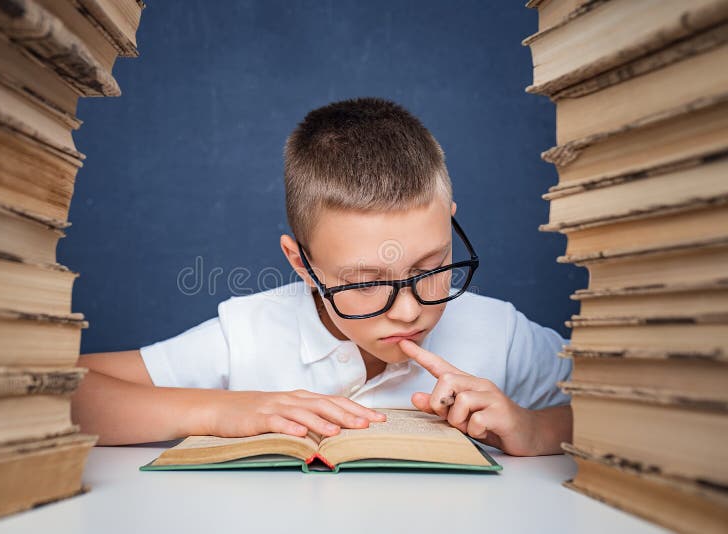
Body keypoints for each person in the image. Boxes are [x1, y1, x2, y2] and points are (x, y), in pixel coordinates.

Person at [72, 97, 572, 456]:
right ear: (302, 265)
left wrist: (535, 429)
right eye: (365, 282)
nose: (409, 311)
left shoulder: (499, 333)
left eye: (431, 267)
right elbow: (61, 389)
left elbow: (618, 408)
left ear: (449, 223)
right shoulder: (249, 333)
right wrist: (218, 411)